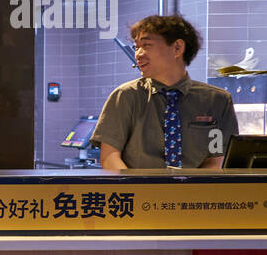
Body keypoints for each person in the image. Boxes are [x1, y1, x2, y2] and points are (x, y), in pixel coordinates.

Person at [92, 15, 237, 170]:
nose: (138, 54)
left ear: (177, 48)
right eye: (136, 47)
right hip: (140, 191)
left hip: (194, 192)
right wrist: (138, 190)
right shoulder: (125, 96)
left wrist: (189, 191)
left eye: (146, 45)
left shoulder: (217, 101)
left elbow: (215, 159)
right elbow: (109, 157)